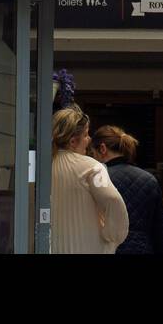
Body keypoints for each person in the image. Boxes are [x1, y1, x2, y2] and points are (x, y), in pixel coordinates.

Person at [50, 104, 129, 254]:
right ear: (73, 141)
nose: (89, 140)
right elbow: (113, 198)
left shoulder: (39, 167)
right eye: (86, 135)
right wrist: (112, 235)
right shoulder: (92, 167)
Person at [90, 124, 163, 255]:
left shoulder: (98, 178)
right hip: (142, 248)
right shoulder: (149, 180)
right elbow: (160, 229)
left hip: (108, 248)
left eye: (93, 153)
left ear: (102, 149)